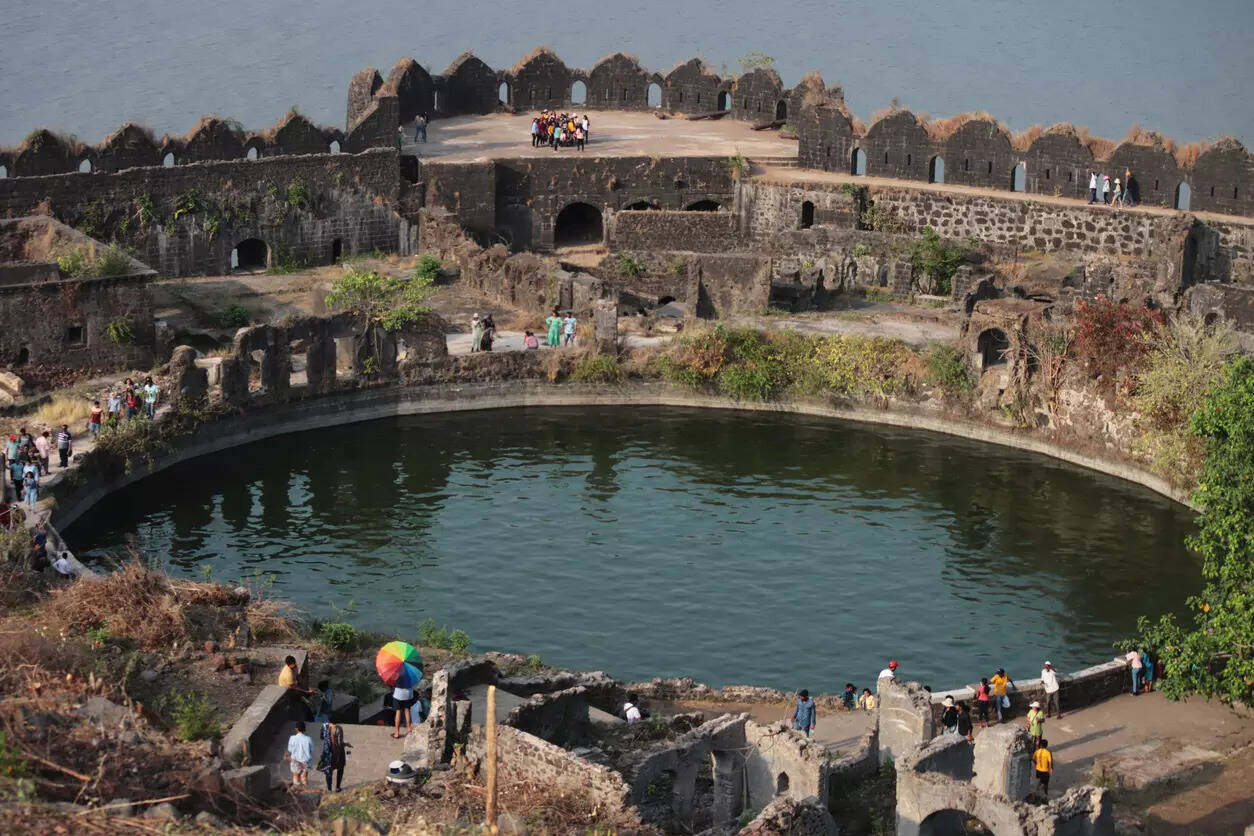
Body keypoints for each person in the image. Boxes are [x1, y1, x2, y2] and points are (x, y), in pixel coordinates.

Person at [318, 718, 349, 792]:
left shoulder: (324, 726)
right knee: (340, 769)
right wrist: (346, 744)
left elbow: (321, 737)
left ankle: (329, 789)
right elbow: (339, 743)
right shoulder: (339, 728)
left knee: (329, 771)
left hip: (328, 752)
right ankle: (337, 788)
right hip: (338, 753)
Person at [286, 721, 313, 787]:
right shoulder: (308, 739)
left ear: (296, 729)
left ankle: (297, 792)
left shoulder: (292, 738)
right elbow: (311, 750)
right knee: (304, 779)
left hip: (295, 761)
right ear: (304, 729)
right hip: (305, 761)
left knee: (296, 777)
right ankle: (306, 793)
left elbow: (290, 750)